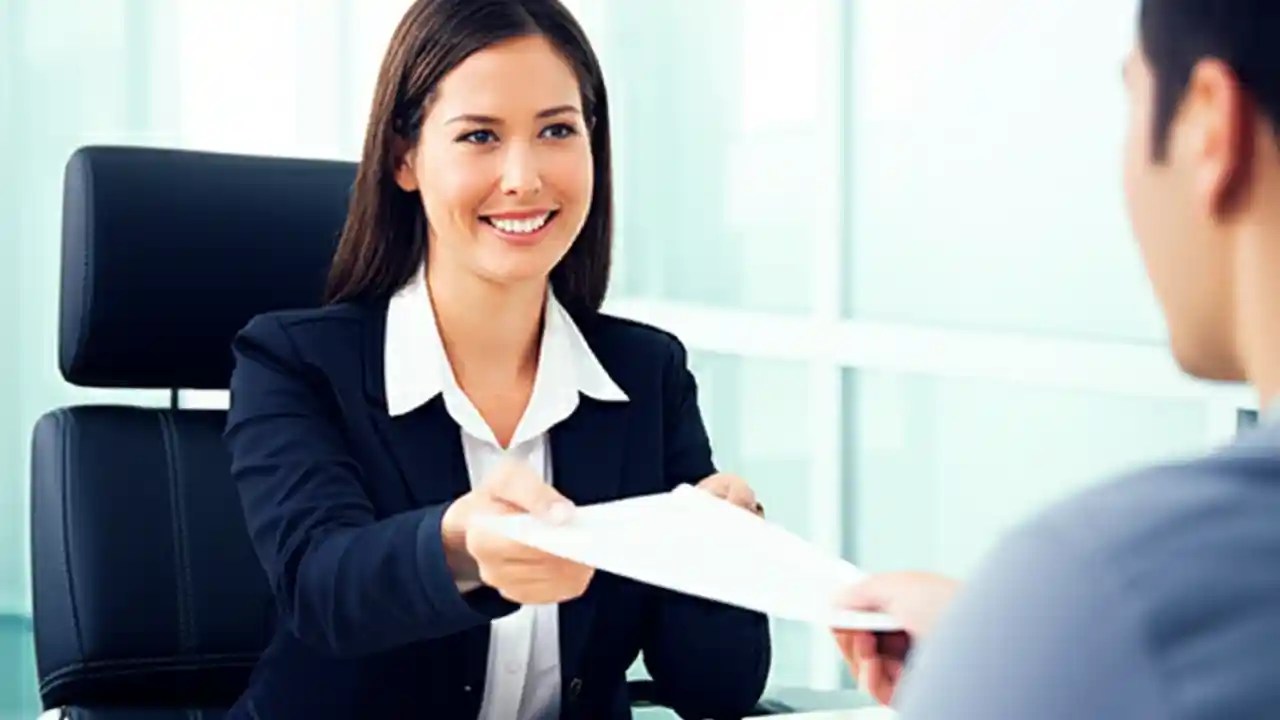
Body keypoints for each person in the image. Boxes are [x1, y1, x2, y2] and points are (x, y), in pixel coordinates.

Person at [222, 1, 770, 718]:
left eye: (556, 131)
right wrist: (461, 549)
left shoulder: (645, 373)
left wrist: (723, 558)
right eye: (480, 136)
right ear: (404, 158)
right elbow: (322, 589)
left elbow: (715, 690)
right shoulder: (294, 363)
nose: (523, 177)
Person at [833, 1, 1280, 717]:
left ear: (1209, 125)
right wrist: (1003, 646)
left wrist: (1029, 644)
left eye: (1132, 98)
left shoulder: (1104, 593)